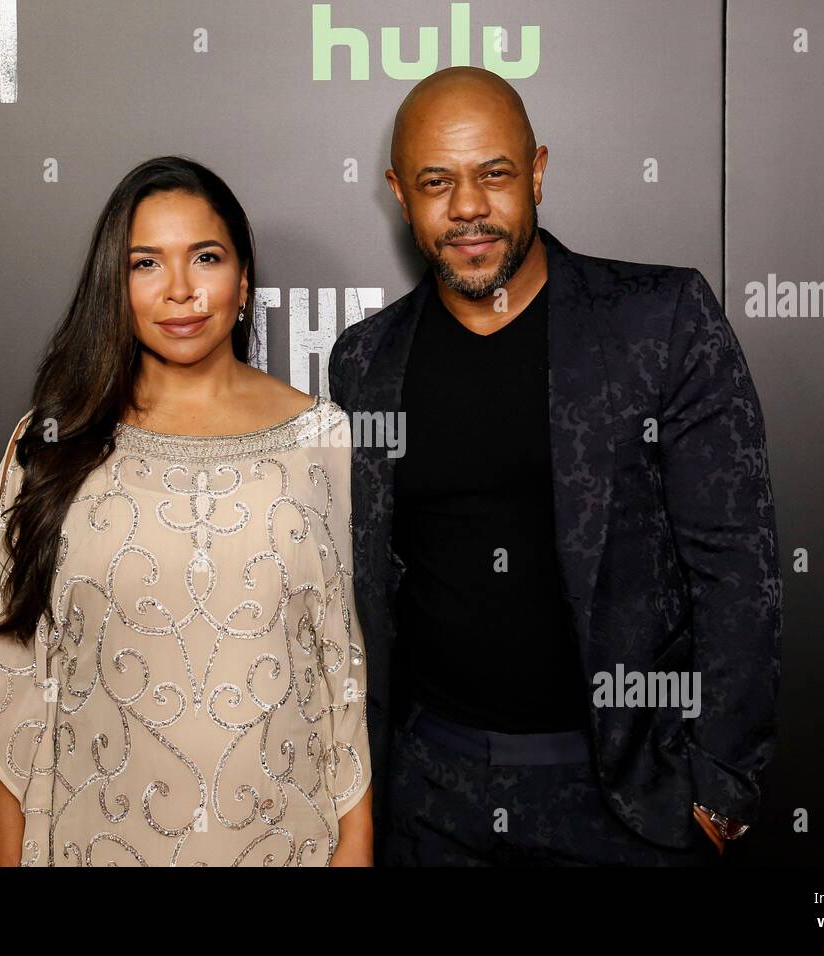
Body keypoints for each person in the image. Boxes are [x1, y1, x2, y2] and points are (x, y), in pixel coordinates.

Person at [328, 67, 782, 866]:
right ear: (400, 193)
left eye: (494, 174)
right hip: (432, 799)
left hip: (629, 802)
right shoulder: (365, 361)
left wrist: (720, 791)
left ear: (537, 171)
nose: (467, 207)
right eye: (437, 182)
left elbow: (738, 569)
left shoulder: (660, 320)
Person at [0, 156, 373, 867]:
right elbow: (10, 679)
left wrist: (355, 848)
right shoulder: (51, 446)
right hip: (94, 842)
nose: (180, 290)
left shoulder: (323, 439)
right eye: (145, 263)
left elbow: (344, 671)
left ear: (242, 280)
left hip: (285, 843)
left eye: (205, 258)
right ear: (113, 288)